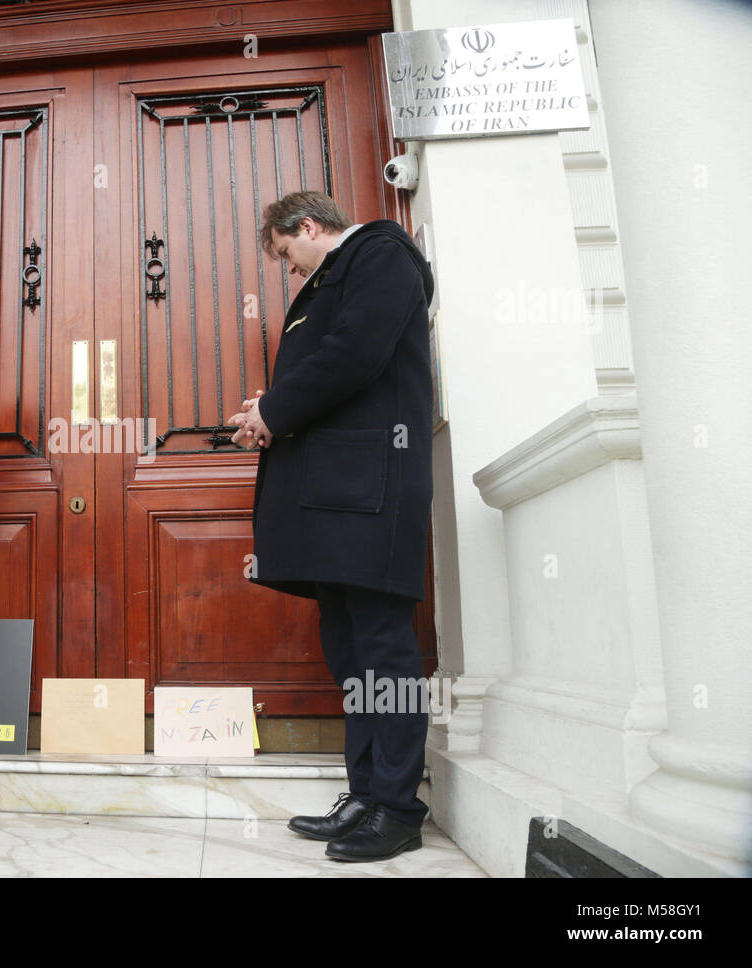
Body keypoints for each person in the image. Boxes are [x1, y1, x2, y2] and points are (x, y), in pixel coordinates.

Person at [229, 190, 434, 862]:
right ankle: (366, 795)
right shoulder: (344, 273)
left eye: (289, 257)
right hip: (340, 493)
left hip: (373, 488)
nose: (293, 273)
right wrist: (272, 409)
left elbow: (356, 352)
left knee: (383, 648)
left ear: (309, 226)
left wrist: (274, 410)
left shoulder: (381, 253)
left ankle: (398, 809)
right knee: (351, 651)